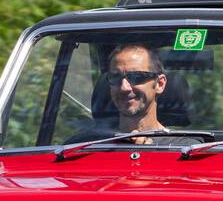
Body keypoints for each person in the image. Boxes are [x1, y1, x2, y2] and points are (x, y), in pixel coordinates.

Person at [65, 43, 194, 146]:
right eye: (116, 77)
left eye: (136, 77)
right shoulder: (81, 147)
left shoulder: (186, 150)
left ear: (160, 84)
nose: (124, 87)